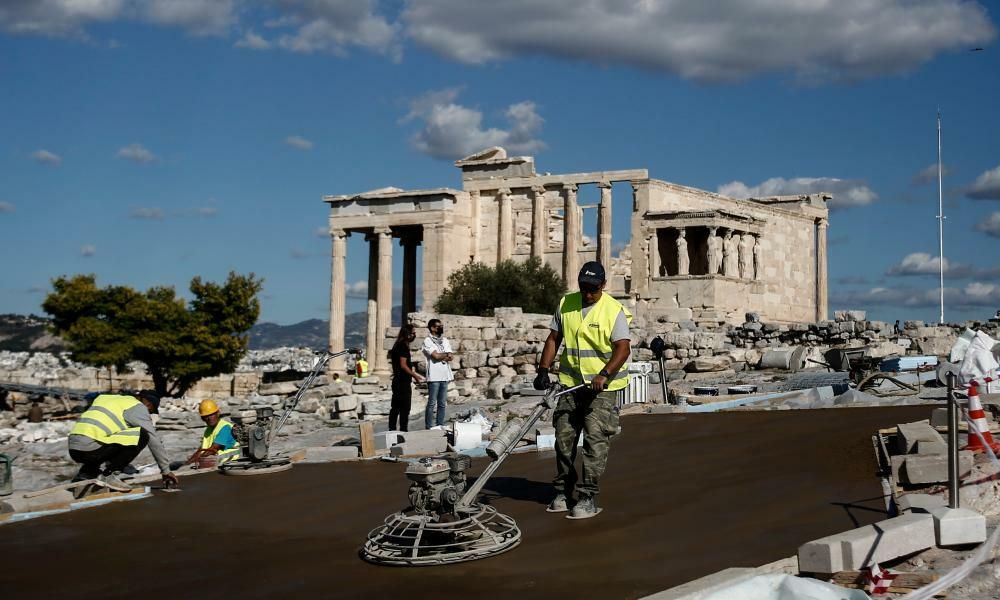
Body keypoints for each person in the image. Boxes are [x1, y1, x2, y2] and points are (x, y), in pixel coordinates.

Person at [534, 261, 632, 520]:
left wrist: (604, 374)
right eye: (584, 288)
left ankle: (587, 494)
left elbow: (623, 348)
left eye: (593, 289)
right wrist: (543, 369)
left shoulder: (613, 310)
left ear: (603, 285)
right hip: (571, 383)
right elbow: (554, 338)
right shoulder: (566, 304)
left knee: (594, 438)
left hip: (603, 387)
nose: (588, 294)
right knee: (564, 438)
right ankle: (562, 490)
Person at [68, 390, 178, 491]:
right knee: (142, 435)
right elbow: (153, 440)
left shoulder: (111, 400)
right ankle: (108, 476)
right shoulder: (137, 407)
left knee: (112, 436)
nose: (148, 414)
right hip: (91, 449)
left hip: (75, 449)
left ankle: (87, 471)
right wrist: (165, 470)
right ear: (149, 404)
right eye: (150, 411)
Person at [182, 399, 241, 468]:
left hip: (231, 463)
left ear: (218, 413)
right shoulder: (208, 430)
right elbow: (201, 450)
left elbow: (212, 450)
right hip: (218, 463)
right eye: (206, 416)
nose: (209, 418)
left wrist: (195, 461)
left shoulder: (225, 428)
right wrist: (188, 463)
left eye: (211, 415)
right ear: (202, 418)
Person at [389, 324, 424, 431]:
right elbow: (403, 365)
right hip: (402, 381)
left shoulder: (397, 345)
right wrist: (416, 376)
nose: (414, 335)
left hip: (397, 380)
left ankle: (392, 429)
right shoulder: (403, 346)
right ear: (407, 333)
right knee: (404, 408)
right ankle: (403, 430)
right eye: (413, 333)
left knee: (395, 408)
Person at [422, 318, 454, 430]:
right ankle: (429, 426)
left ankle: (440, 425)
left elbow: (451, 356)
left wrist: (442, 355)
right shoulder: (427, 341)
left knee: (442, 403)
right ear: (432, 328)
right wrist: (445, 355)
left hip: (445, 375)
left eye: (441, 325)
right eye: (438, 326)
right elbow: (435, 356)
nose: (440, 327)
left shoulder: (444, 340)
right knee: (432, 403)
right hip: (434, 376)